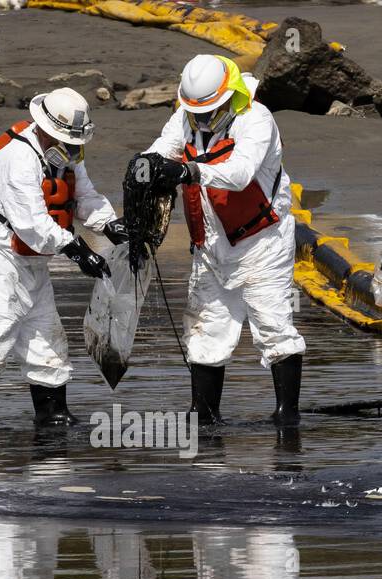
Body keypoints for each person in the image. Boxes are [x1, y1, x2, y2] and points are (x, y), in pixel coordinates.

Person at [0, 87, 130, 432]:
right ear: (45, 130)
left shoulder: (66, 156)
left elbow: (84, 197)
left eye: (77, 144)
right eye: (67, 142)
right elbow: (32, 224)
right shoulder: (18, 160)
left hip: (30, 259)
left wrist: (110, 224)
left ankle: (52, 416)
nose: (75, 150)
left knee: (47, 335)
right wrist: (79, 251)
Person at [140, 54, 305, 427]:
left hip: (262, 241)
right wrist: (145, 166)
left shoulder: (256, 120)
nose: (199, 121)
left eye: (208, 112)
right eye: (195, 113)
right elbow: (162, 148)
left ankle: (287, 417)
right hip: (210, 244)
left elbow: (240, 173)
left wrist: (188, 169)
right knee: (205, 327)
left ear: (229, 96)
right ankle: (204, 415)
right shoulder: (185, 117)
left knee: (273, 325)